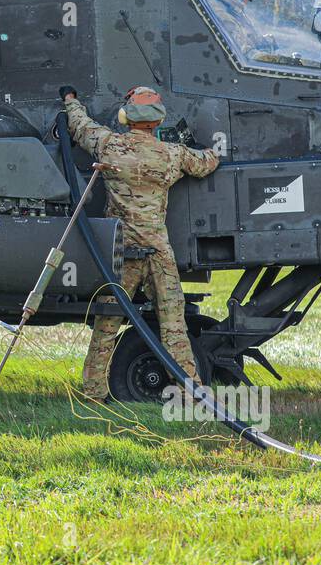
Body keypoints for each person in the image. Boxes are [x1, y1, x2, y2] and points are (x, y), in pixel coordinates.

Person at [61, 86, 220, 399]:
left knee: (107, 323)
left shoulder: (109, 145)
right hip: (158, 251)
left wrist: (70, 100)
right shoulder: (172, 154)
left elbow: (80, 127)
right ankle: (189, 391)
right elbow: (207, 163)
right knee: (173, 323)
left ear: (126, 118)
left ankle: (93, 391)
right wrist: (212, 148)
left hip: (120, 252)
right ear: (158, 122)